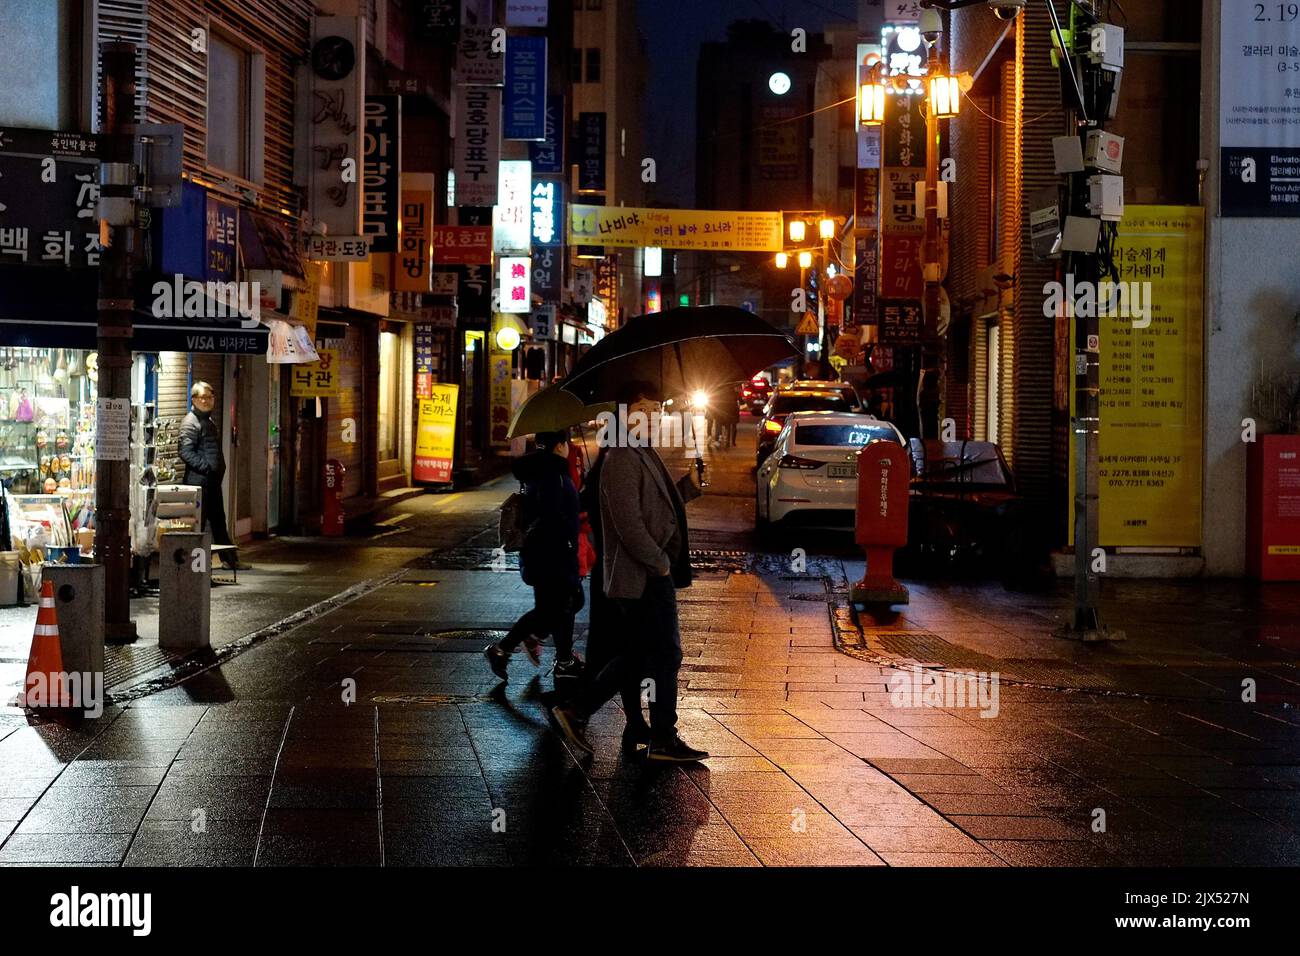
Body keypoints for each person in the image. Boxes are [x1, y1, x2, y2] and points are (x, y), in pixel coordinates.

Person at [551, 381, 710, 763]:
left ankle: (633, 728)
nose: (656, 415)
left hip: (650, 574)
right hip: (640, 578)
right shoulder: (621, 454)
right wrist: (658, 563)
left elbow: (654, 505)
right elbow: (627, 522)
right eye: (649, 408)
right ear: (628, 411)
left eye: (658, 408)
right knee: (662, 653)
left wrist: (687, 487)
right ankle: (650, 733)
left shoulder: (639, 449)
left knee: (643, 655)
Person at [484, 429, 585, 683]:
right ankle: (502, 649)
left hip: (542, 555)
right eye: (567, 443)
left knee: (560, 607)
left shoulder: (540, 471)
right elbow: (553, 517)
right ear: (560, 445)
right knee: (559, 607)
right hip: (554, 555)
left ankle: (563, 660)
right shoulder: (555, 474)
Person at [578, 445, 654, 753]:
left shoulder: (599, 475)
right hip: (619, 575)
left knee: (614, 651)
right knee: (625, 652)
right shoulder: (614, 472)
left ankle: (634, 722)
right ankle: (576, 711)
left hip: (608, 574)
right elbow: (633, 521)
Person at [178, 381, 245, 571]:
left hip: (211, 482)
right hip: (199, 482)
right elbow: (185, 451)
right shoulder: (191, 422)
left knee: (218, 521)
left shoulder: (208, 420)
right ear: (193, 399)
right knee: (197, 524)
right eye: (203, 397)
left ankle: (229, 560)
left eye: (210, 397)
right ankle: (194, 564)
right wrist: (206, 468)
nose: (207, 401)